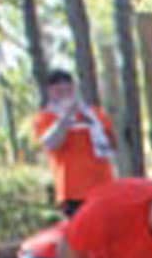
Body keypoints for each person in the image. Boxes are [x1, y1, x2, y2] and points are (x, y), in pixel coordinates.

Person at [32, 69, 117, 217]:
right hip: (72, 191)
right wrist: (65, 119)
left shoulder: (95, 113)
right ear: (50, 92)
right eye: (59, 91)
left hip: (103, 186)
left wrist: (92, 122)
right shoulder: (45, 118)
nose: (65, 94)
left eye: (68, 89)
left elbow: (112, 144)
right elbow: (50, 144)